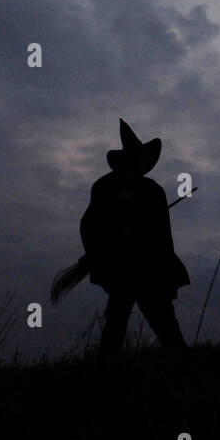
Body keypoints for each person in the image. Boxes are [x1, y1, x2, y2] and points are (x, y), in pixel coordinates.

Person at [65, 119, 190, 356]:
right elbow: (90, 226)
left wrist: (165, 270)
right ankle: (108, 368)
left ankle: (182, 363)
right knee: (116, 321)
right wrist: (101, 252)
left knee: (164, 323)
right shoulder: (105, 187)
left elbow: (163, 238)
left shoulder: (153, 191)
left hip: (150, 269)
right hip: (119, 267)